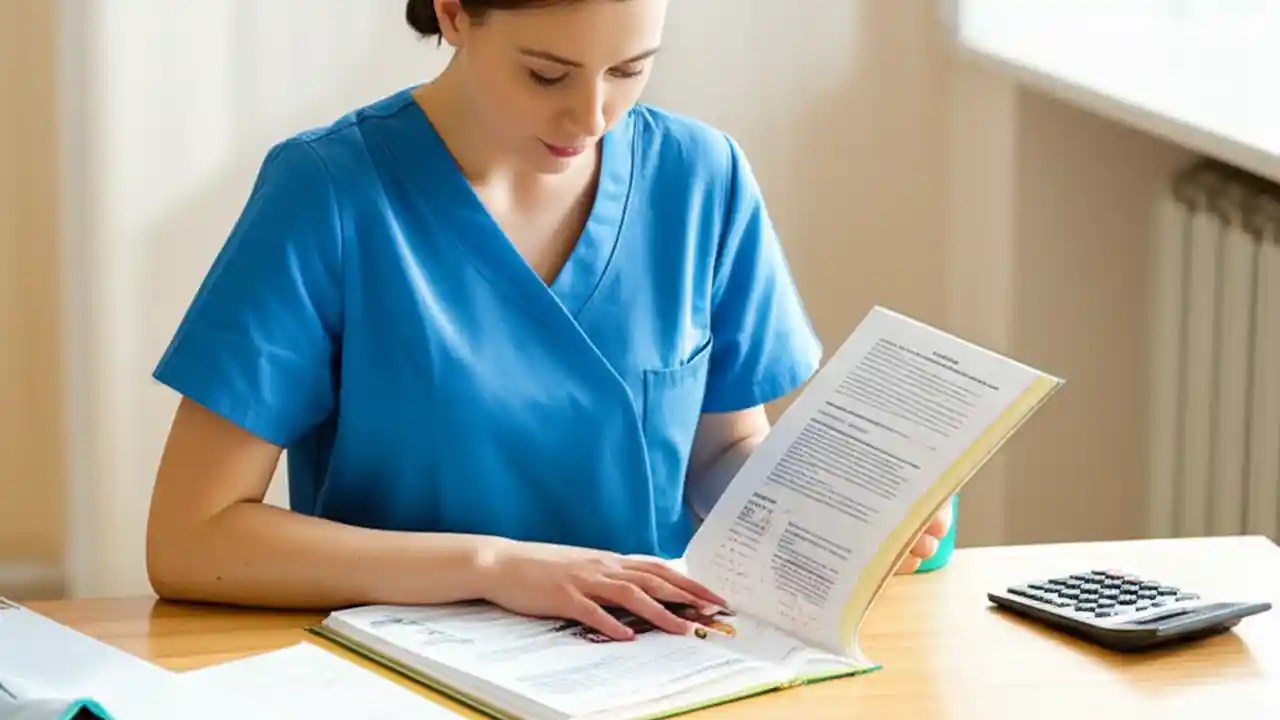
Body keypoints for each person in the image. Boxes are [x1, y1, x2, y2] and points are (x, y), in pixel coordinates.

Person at [145, 0, 957, 643]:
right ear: (455, 12)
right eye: (546, 75)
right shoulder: (329, 193)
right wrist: (497, 567)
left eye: (630, 70)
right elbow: (193, 539)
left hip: (657, 662)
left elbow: (718, 451)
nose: (593, 117)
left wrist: (837, 511)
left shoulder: (700, 176)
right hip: (401, 671)